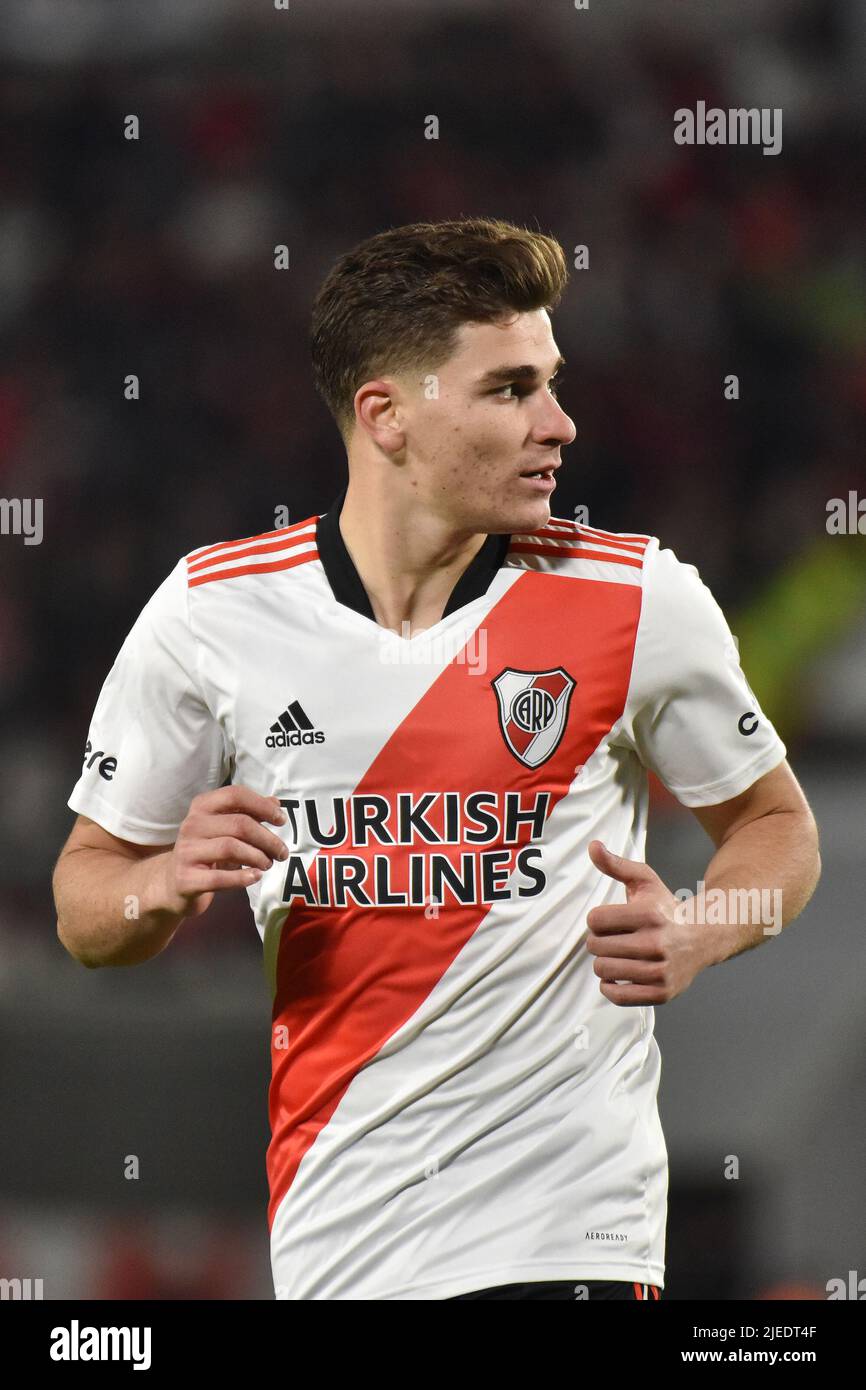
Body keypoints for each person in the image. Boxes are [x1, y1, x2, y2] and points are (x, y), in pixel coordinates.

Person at [53, 216, 821, 1301]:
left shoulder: (637, 599)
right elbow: (84, 906)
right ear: (386, 417)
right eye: (510, 390)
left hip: (566, 1235)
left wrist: (702, 926)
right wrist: (160, 884)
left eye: (551, 383)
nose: (558, 423)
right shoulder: (210, 613)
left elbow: (777, 829)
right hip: (336, 1243)